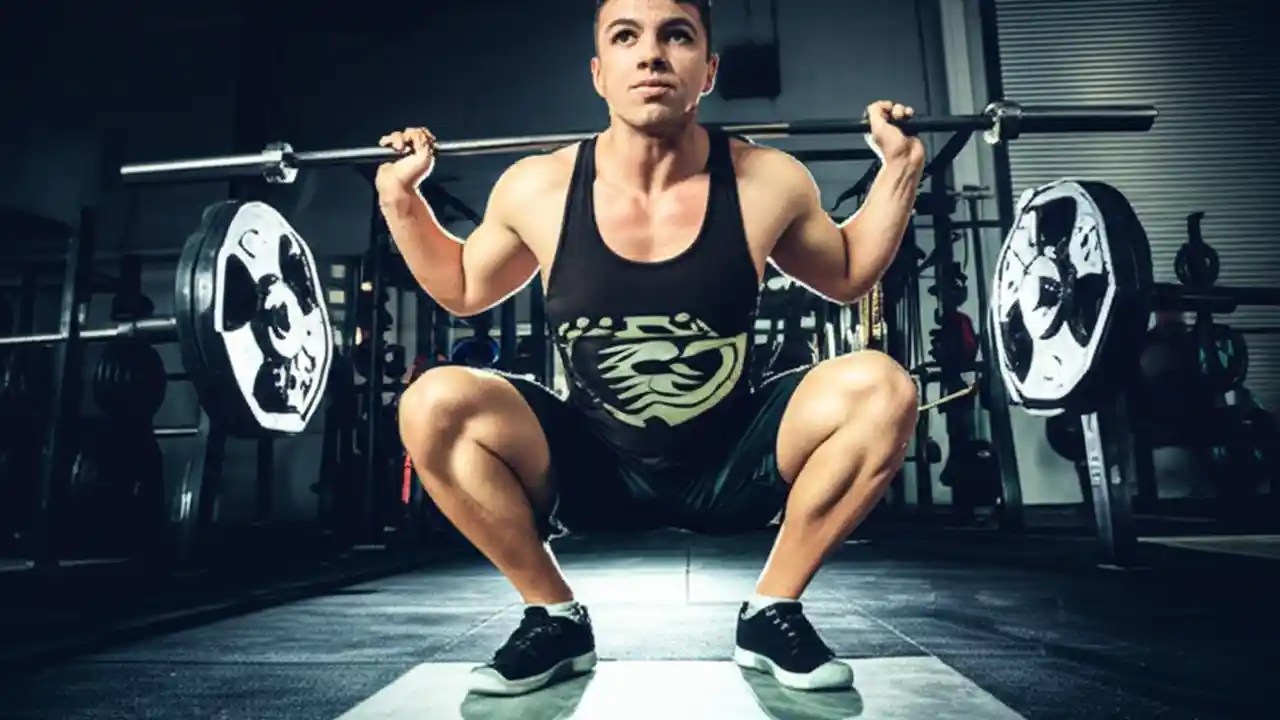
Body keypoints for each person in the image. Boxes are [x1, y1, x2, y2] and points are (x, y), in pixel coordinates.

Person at [376, 0, 923, 697]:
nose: (652, 54)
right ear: (599, 73)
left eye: (677, 35)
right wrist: (401, 200)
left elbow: (845, 275)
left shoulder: (768, 180)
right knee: (433, 402)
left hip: (732, 464)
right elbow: (461, 287)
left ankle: (772, 611)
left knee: (882, 388)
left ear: (708, 70)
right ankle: (552, 617)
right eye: (626, 36)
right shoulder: (538, 187)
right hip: (593, 470)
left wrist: (900, 167)